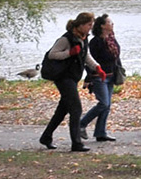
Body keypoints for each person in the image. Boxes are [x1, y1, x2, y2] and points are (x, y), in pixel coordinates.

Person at [40, 12, 103, 152]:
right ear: (80, 25)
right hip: (63, 77)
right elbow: (52, 54)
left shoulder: (83, 38)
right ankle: (76, 143)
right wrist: (69, 53)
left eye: (91, 25)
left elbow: (86, 55)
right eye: (88, 25)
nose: (90, 28)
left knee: (62, 110)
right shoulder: (66, 39)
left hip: (72, 78)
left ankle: (46, 137)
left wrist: (97, 68)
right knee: (76, 109)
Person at [78, 13, 122, 142]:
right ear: (102, 26)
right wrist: (89, 78)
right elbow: (88, 60)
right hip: (99, 76)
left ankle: (100, 132)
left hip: (111, 75)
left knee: (107, 106)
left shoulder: (111, 39)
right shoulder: (95, 42)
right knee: (103, 103)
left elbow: (116, 57)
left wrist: (118, 71)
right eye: (109, 22)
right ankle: (81, 124)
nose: (112, 24)